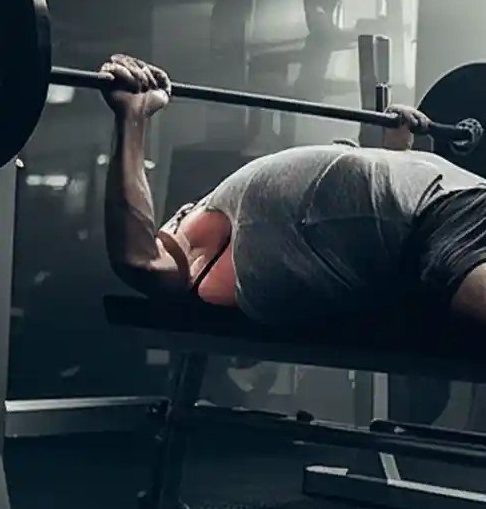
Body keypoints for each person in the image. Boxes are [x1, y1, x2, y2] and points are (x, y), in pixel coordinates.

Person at [100, 53, 486, 326]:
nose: (173, 217)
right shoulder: (201, 265)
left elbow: (359, 205)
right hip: (437, 230)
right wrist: (132, 116)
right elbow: (138, 260)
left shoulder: (229, 219)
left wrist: (395, 147)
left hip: (455, 201)